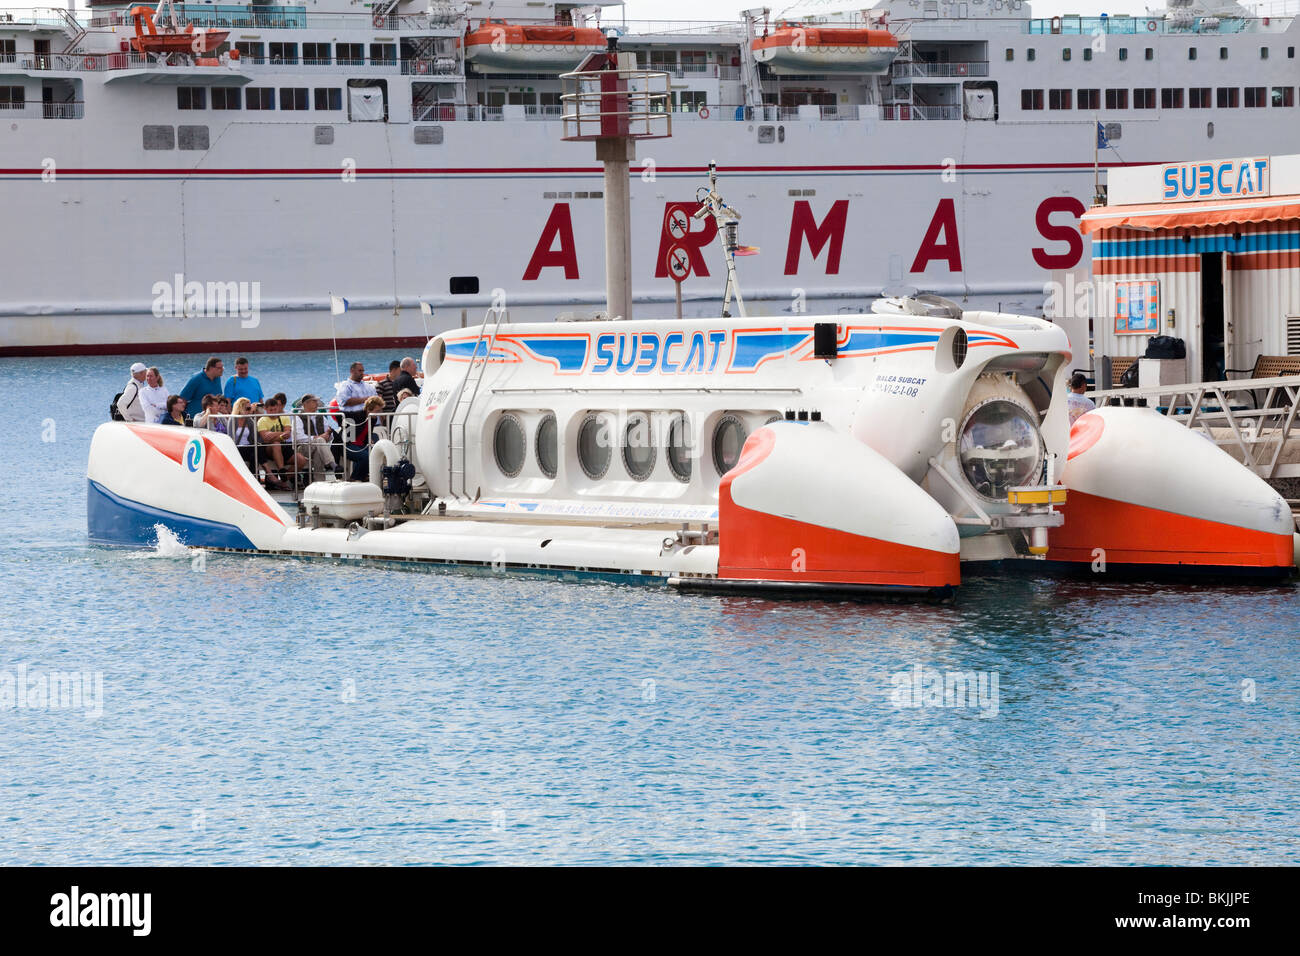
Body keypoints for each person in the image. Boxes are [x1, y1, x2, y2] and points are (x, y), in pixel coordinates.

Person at [256, 393, 308, 482]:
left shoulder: (284, 417)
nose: (273, 412)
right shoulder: (262, 420)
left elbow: (287, 433)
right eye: (270, 410)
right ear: (265, 409)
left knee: (301, 460)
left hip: (284, 446)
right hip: (269, 449)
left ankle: (283, 480)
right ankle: (281, 470)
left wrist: (273, 434)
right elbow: (265, 438)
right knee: (276, 444)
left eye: (275, 409)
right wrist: (281, 435)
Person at [291, 394, 340, 478]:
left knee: (318, 451)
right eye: (314, 401)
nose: (317, 403)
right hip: (303, 448)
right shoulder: (298, 418)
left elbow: (330, 436)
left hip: (318, 447)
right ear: (305, 404)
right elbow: (298, 438)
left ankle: (319, 481)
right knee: (320, 441)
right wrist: (319, 437)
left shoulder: (321, 417)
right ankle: (332, 464)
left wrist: (328, 435)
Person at [230, 397, 258, 471]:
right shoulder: (232, 420)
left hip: (248, 446)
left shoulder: (249, 420)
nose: (250, 411)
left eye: (250, 408)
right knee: (255, 453)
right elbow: (230, 438)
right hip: (237, 448)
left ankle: (256, 475)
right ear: (240, 408)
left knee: (258, 450)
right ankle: (256, 476)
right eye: (248, 409)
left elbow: (254, 437)